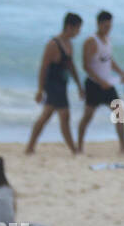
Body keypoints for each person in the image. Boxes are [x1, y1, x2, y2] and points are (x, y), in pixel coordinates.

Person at [24, 13, 84, 155]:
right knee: (63, 116)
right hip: (52, 85)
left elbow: (71, 66)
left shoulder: (69, 44)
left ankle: (30, 147)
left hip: (62, 85)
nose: (79, 32)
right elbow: (43, 67)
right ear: (69, 27)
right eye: (78, 28)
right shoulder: (53, 44)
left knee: (46, 116)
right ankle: (73, 149)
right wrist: (40, 90)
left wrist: (79, 86)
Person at [77, 11, 124, 153]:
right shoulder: (91, 41)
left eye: (110, 26)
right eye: (105, 26)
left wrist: (121, 73)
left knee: (119, 111)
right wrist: (100, 81)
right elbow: (86, 66)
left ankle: (123, 147)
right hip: (94, 84)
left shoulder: (107, 39)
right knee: (87, 116)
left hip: (108, 84)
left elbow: (109, 60)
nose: (108, 28)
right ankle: (79, 147)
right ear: (98, 24)